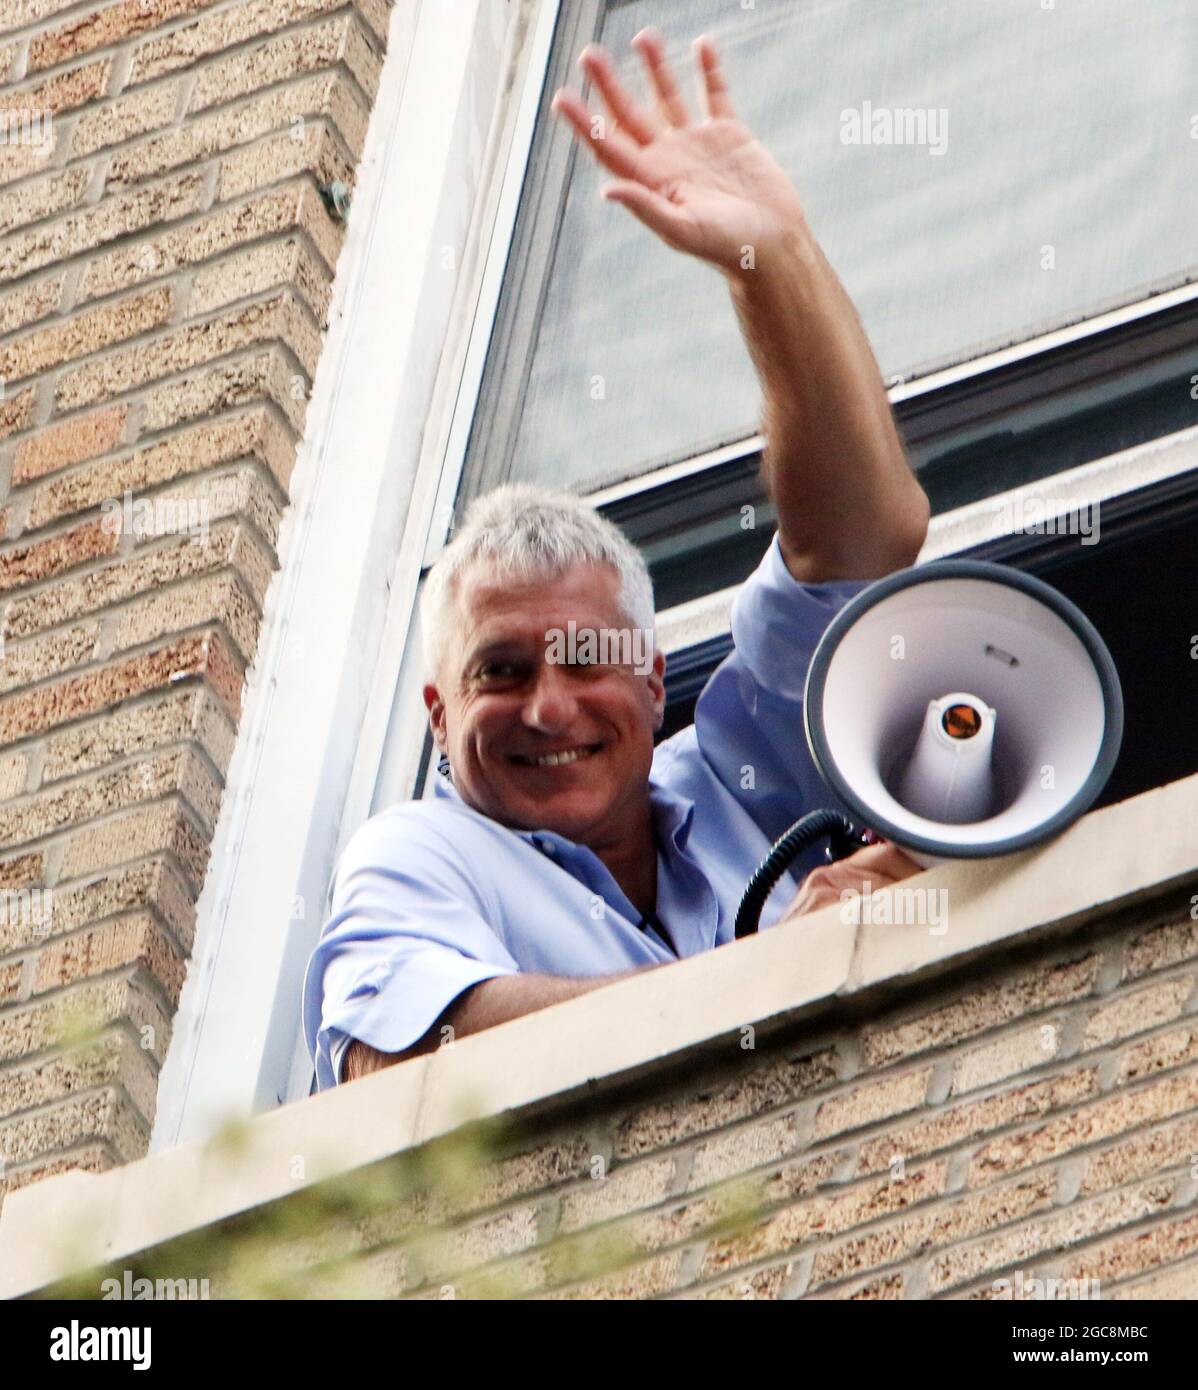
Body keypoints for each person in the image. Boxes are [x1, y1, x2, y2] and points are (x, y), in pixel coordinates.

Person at [303, 29, 930, 1089]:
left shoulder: (740, 770)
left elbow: (863, 538)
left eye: (585, 658)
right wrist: (768, 978)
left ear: (651, 679)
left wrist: (766, 261)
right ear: (435, 715)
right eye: (499, 671)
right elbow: (401, 1052)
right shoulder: (420, 855)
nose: (549, 707)